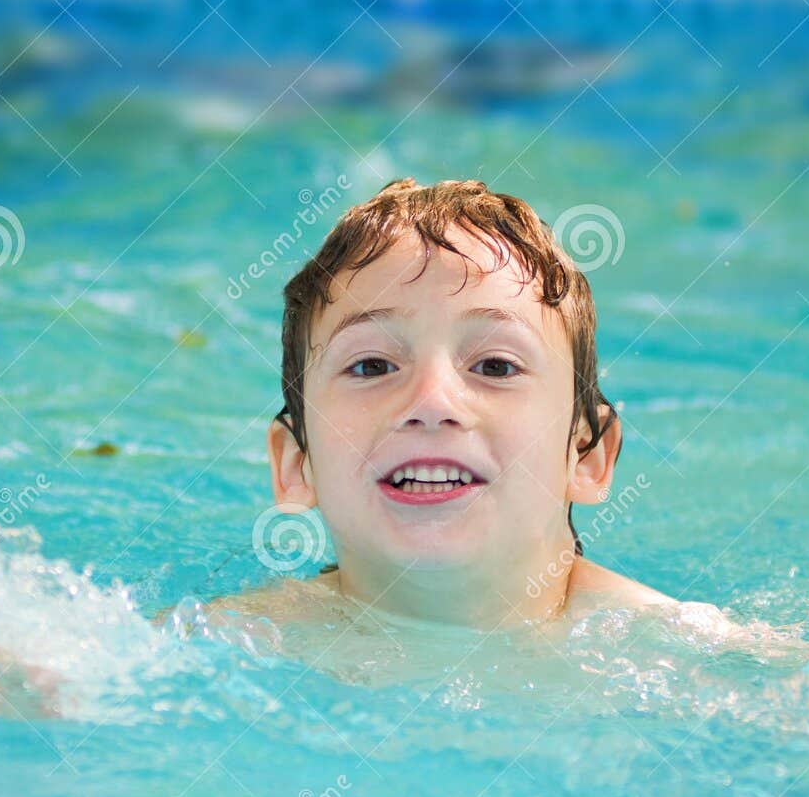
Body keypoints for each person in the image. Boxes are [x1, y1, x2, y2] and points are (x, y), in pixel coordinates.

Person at [201, 176, 730, 652]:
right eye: (371, 365)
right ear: (296, 465)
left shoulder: (677, 650)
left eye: (496, 366)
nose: (431, 402)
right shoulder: (230, 641)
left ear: (587, 456)